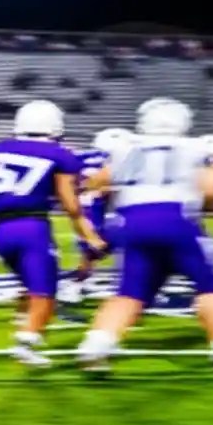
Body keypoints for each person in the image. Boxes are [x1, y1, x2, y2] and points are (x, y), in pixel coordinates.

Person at [74, 98, 213, 372]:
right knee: (209, 288)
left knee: (129, 292)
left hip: (132, 221)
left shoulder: (124, 145)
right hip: (175, 218)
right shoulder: (199, 146)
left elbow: (96, 182)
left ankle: (95, 346)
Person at [0, 101, 104, 366]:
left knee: (29, 283)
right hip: (31, 228)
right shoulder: (60, 154)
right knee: (45, 292)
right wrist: (89, 235)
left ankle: (22, 321)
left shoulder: (0, 148)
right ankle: (27, 341)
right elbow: (71, 206)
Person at [60, 127, 133, 306]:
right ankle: (74, 284)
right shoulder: (111, 160)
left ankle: (77, 283)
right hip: (97, 206)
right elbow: (102, 187)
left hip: (88, 206)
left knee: (101, 248)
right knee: (100, 248)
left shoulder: (84, 157)